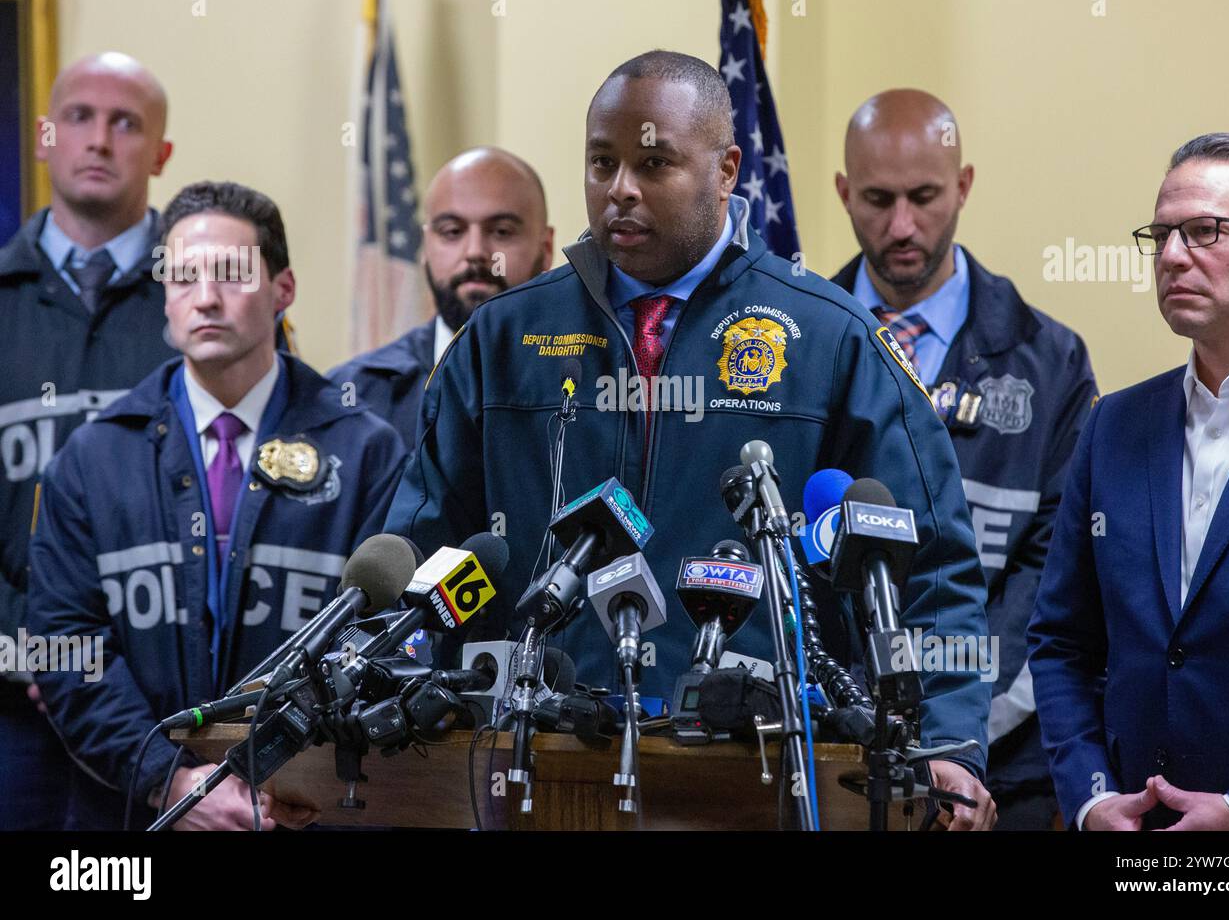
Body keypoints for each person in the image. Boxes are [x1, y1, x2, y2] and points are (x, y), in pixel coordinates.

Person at [385, 50, 995, 828]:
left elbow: (931, 563)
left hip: (760, 773)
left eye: (654, 162)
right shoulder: (503, 338)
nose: (620, 190)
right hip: (538, 768)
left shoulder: (827, 336)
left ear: (727, 169)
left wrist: (947, 742)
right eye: (601, 162)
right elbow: (420, 550)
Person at [26, 181, 408, 830]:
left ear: (283, 289)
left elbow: (389, 641)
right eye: (182, 277)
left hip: (306, 811)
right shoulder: (92, 458)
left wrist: (288, 775)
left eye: (231, 274)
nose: (205, 297)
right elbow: (66, 648)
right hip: (133, 811)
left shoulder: (367, 450)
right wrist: (171, 782)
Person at [830, 90, 1096, 829]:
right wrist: (858, 716)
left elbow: (1055, 571)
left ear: (965, 186)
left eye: (926, 197)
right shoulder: (802, 345)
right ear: (845, 193)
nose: (904, 226)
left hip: (1003, 763)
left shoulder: (1052, 361)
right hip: (828, 751)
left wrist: (957, 727)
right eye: (878, 200)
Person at [1029, 133, 1229, 831]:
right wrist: (1090, 798)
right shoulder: (1113, 424)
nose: (1173, 255)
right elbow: (1062, 641)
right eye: (1161, 235)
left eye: (1205, 231)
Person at [0, 52, 177, 830]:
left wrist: (107, 670)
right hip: (11, 710)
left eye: (126, 122)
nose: (100, 140)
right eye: (79, 117)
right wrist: (41, 648)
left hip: (168, 708)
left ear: (162, 153)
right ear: (45, 137)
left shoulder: (209, 295)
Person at [328, 147, 553, 449]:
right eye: (452, 232)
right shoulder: (355, 396)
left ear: (546, 247)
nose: (475, 252)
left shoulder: (588, 385)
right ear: (425, 246)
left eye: (501, 231)